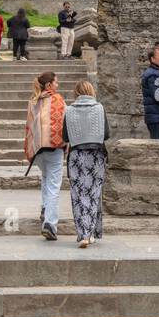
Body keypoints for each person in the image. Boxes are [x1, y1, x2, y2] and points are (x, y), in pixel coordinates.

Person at [62, 79, 108, 247]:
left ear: (76, 93)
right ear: (91, 91)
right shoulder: (100, 109)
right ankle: (90, 233)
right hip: (96, 155)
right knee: (94, 193)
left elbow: (65, 137)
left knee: (78, 195)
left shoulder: (69, 110)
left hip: (76, 156)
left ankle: (84, 234)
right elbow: (106, 134)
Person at [24, 70, 67, 240]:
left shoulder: (33, 101)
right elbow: (65, 120)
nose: (58, 85)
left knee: (46, 178)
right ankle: (50, 223)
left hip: (38, 149)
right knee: (54, 186)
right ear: (49, 85)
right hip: (54, 147)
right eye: (56, 82)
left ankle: (44, 208)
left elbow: (29, 126)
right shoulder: (57, 99)